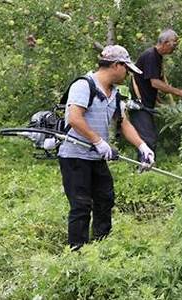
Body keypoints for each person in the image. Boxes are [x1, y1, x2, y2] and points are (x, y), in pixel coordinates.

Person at [57, 45, 155, 250]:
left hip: (96, 157)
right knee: (81, 205)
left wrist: (142, 146)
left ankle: (101, 245)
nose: (127, 74)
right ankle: (77, 252)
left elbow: (123, 123)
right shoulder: (84, 85)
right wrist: (98, 141)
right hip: (75, 156)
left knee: (105, 199)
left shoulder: (115, 93)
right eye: (126, 69)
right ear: (116, 65)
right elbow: (74, 118)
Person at [130, 29, 182, 157]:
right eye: (174, 44)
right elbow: (155, 83)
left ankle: (145, 169)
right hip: (139, 105)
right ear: (164, 43)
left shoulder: (157, 57)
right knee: (147, 140)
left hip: (147, 105)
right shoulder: (150, 56)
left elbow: (149, 82)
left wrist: (160, 101)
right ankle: (143, 171)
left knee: (149, 138)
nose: (175, 47)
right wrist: (179, 92)